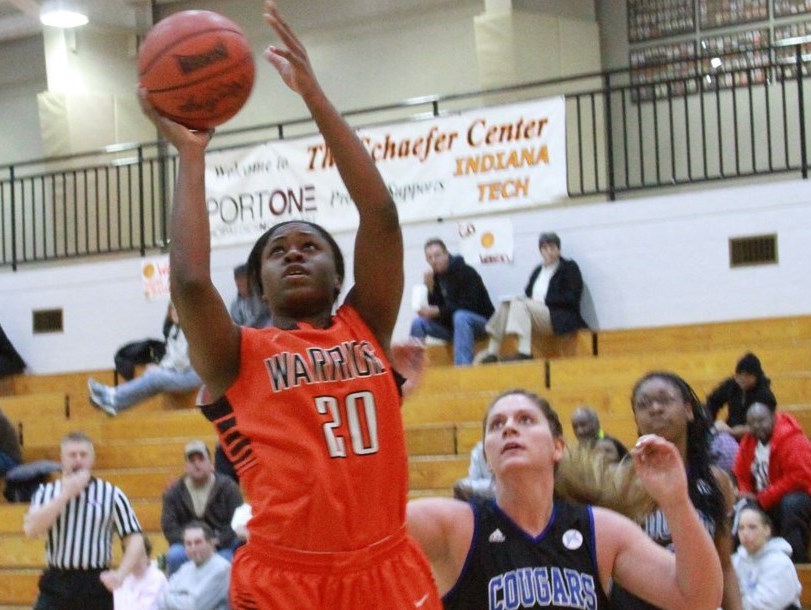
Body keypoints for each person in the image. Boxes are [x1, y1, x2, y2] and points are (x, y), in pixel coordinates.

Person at [136, 2, 441, 608]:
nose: (295, 254)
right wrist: (191, 156)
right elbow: (192, 283)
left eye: (312, 247)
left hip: (386, 565)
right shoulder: (235, 356)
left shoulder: (365, 325)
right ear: (257, 283)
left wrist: (316, 99)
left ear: (338, 278)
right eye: (278, 251)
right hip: (285, 579)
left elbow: (380, 216)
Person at [405, 389, 723, 610]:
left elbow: (698, 599)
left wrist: (676, 501)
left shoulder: (600, 530)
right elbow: (364, 530)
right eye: (497, 425)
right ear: (487, 456)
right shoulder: (452, 524)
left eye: (525, 420)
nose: (509, 429)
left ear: (558, 447)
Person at [615, 371, 743, 610]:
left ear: (688, 410)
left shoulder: (717, 482)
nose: (655, 409)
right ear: (636, 421)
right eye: (643, 405)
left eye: (665, 400)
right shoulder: (621, 482)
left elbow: (724, 565)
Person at [23, 432, 145, 610]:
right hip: (57, 581)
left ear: (92, 459)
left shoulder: (111, 494)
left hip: (94, 583)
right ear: (62, 459)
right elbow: (32, 530)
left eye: (83, 455)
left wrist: (121, 574)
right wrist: (65, 495)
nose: (78, 460)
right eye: (72, 455)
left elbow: (135, 538)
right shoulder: (46, 492)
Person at [734, 401, 811, 563]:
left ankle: (797, 564)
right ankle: (743, 566)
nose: (757, 426)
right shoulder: (749, 442)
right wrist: (746, 494)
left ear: (773, 417)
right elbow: (740, 474)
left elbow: (801, 477)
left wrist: (764, 498)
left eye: (761, 420)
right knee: (743, 510)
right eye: (752, 423)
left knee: (791, 505)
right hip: (769, 497)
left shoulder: (793, 440)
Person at [476, 232, 585, 362]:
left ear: (558, 250)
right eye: (544, 248)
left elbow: (572, 298)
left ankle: (524, 351)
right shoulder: (538, 270)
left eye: (552, 248)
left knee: (519, 304)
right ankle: (492, 351)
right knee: (508, 303)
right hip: (535, 314)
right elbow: (527, 294)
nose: (548, 252)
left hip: (557, 315)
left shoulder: (569, 268)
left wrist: (543, 300)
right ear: (541, 251)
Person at [88, 303, 201, 416]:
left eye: (178, 309)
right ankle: (113, 403)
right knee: (151, 376)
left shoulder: (189, 329)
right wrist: (160, 368)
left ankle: (111, 395)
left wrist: (162, 369)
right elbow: (170, 357)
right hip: (182, 372)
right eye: (172, 310)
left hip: (193, 375)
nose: (175, 313)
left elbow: (182, 363)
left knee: (155, 377)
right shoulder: (173, 330)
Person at [409, 238, 494, 366]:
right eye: (429, 257)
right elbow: (437, 313)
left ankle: (462, 368)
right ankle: (413, 370)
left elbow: (469, 305)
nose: (434, 260)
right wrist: (430, 289)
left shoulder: (466, 272)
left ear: (446, 254)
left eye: (437, 255)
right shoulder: (433, 277)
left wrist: (438, 311)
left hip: (482, 324)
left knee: (461, 317)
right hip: (453, 328)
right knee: (418, 323)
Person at [161, 440, 242, 575]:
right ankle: (177, 594)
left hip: (221, 546)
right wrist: (193, 543)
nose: (196, 464)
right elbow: (169, 528)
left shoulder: (229, 487)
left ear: (211, 465)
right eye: (192, 460)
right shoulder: (173, 493)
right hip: (186, 546)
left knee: (226, 559)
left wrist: (216, 542)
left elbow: (237, 522)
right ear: (186, 467)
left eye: (201, 459)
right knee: (174, 556)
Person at [732, 503, 803, 610]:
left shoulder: (780, 563)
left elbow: (766, 605)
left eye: (752, 527)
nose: (745, 533)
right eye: (741, 528)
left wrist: (730, 605)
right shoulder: (735, 561)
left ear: (767, 530)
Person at [157, 522, 231, 610]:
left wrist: (171, 599)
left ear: (211, 543)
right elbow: (161, 599)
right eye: (188, 543)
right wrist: (187, 599)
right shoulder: (185, 568)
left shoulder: (222, 569)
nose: (193, 548)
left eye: (198, 542)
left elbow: (196, 606)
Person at [707, 352, 777, 440]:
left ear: (756, 376)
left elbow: (762, 426)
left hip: (754, 439)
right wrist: (710, 423)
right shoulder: (732, 385)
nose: (743, 379)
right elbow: (712, 402)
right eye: (740, 375)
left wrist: (731, 431)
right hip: (731, 434)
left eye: (747, 376)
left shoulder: (765, 395)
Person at [112, 537, 166, 610]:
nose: (135, 559)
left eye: (140, 555)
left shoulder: (157, 578)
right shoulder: (122, 577)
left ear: (148, 556)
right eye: (131, 555)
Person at [229, 263, 270, 329]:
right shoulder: (235, 304)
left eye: (243, 283)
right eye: (238, 285)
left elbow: (263, 317)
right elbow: (235, 323)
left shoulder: (263, 298)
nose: (241, 287)